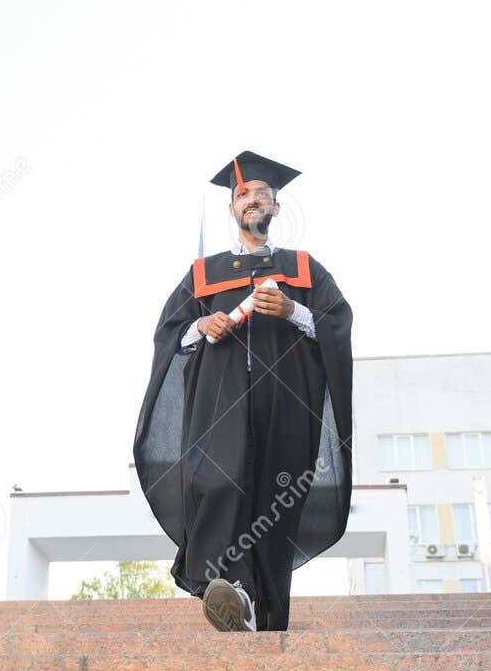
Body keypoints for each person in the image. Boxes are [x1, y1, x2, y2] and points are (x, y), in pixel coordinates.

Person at [132, 150, 353, 632]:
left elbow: (338, 325)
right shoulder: (205, 274)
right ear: (232, 208)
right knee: (216, 481)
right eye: (244, 194)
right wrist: (202, 324)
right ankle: (231, 588)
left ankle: (258, 613)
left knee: (275, 502)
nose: (254, 200)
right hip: (220, 402)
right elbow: (170, 333)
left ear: (277, 206)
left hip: (285, 403)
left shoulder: (303, 269)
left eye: (262, 194)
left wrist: (292, 311)